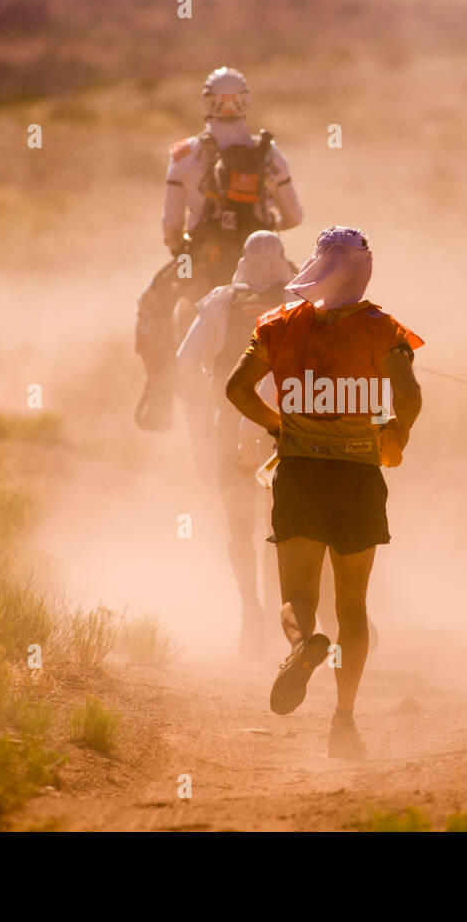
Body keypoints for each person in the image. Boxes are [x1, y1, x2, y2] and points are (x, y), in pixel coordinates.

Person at [225, 226, 422, 760]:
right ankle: (344, 722)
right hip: (358, 475)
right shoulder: (385, 330)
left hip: (300, 473)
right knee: (353, 607)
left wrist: (278, 427)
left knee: (296, 597)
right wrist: (394, 433)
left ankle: (300, 644)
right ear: (364, 270)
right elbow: (406, 394)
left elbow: (236, 389)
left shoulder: (278, 324)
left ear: (316, 264)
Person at [135, 67, 304, 431]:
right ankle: (318, 395)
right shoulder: (271, 154)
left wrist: (180, 249)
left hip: (201, 260)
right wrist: (267, 224)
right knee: (308, 308)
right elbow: (294, 216)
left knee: (152, 306)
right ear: (244, 102)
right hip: (266, 257)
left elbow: (170, 223)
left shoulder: (185, 155)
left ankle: (160, 397)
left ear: (207, 103)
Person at [177, 230, 294, 659]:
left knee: (239, 528)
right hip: (285, 427)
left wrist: (214, 392)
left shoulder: (221, 301)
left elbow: (185, 362)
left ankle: (251, 615)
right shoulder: (302, 301)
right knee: (277, 529)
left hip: (231, 420)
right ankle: (287, 622)